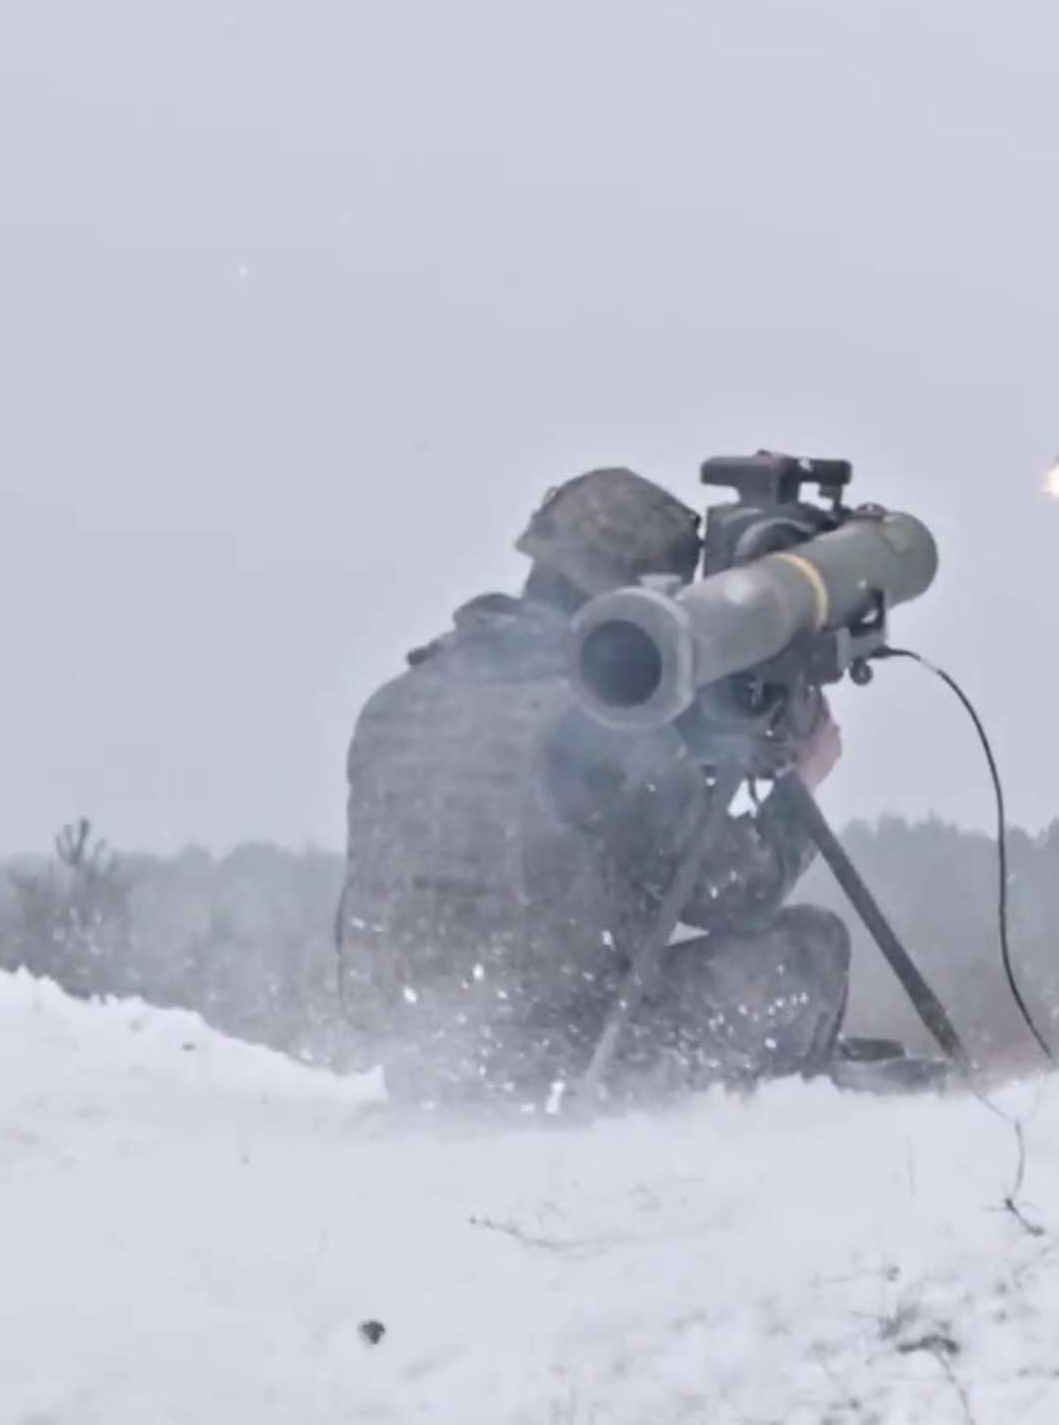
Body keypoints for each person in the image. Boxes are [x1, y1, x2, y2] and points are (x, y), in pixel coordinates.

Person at [336, 467, 852, 1109]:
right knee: (810, 947)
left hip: (421, 1053)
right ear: (644, 597)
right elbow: (731, 892)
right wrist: (801, 781)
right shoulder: (597, 718)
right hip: (565, 1055)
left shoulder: (398, 701)